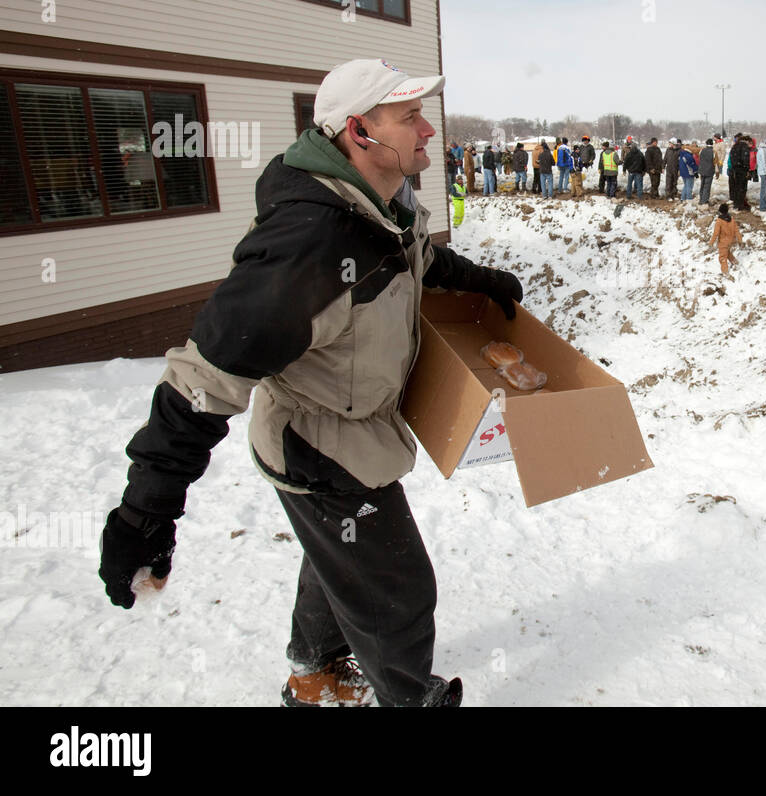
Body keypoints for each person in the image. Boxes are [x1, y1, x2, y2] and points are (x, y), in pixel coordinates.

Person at [97, 59, 525, 708]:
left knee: (342, 557)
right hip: (321, 449)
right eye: (410, 118)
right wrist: (145, 511)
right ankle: (407, 698)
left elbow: (419, 258)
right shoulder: (311, 242)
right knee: (398, 587)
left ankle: (312, 673)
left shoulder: (383, 206)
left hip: (351, 429)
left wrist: (481, 280)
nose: (428, 131)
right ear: (360, 132)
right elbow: (205, 379)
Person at [707, 202, 743, 277]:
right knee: (728, 252)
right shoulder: (731, 219)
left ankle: (725, 272)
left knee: (722, 257)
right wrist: (740, 241)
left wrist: (711, 243)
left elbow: (715, 233)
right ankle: (735, 262)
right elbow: (737, 230)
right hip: (731, 241)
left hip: (723, 242)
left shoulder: (719, 221)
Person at [727, 134, 751, 210]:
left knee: (736, 187)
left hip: (735, 169)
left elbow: (731, 157)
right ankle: (740, 205)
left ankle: (736, 203)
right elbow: (745, 159)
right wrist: (747, 169)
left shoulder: (734, 146)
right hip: (742, 170)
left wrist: (734, 167)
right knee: (742, 188)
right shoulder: (744, 147)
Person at [698, 138, 716, 204]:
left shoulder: (702, 150)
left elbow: (700, 159)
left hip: (702, 170)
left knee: (702, 185)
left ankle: (701, 199)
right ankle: (704, 200)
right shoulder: (713, 152)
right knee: (707, 186)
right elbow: (715, 162)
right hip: (709, 171)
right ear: (712, 144)